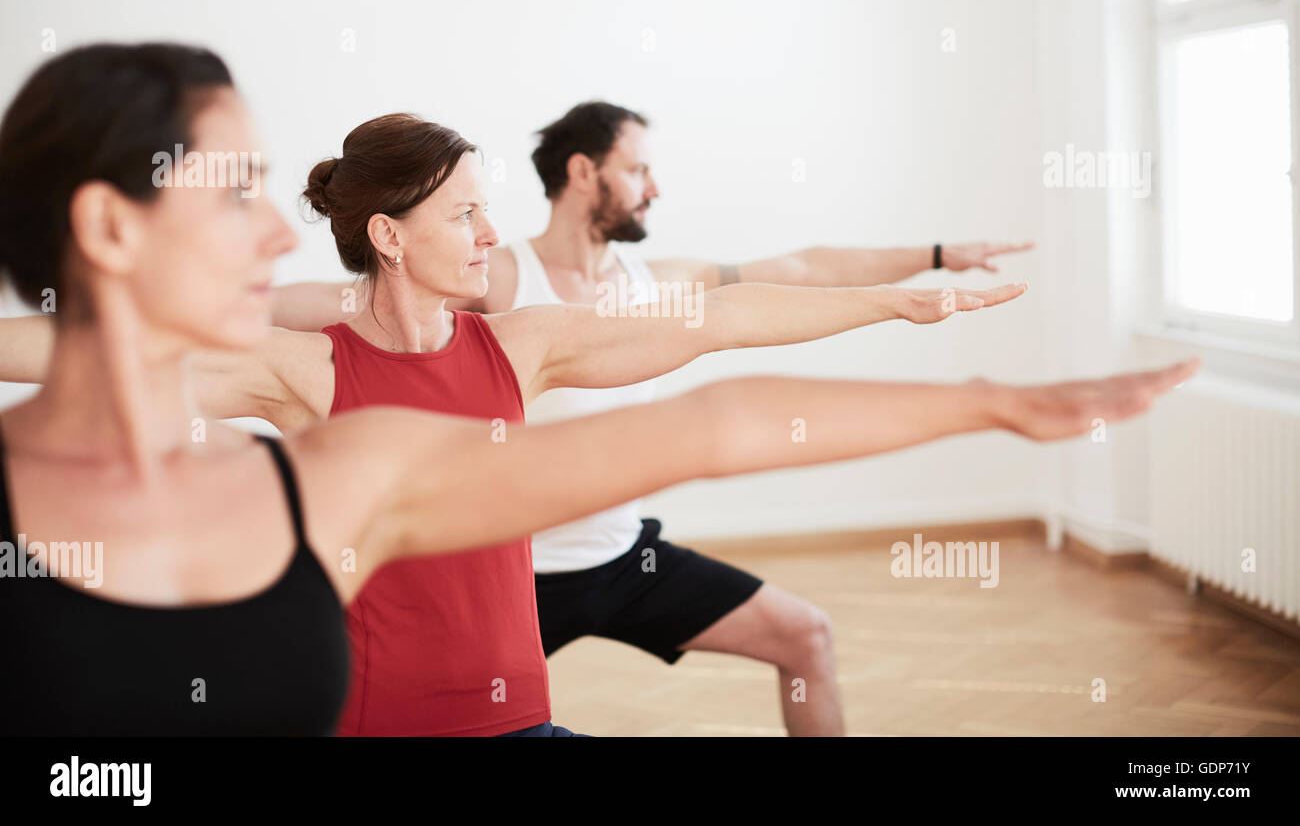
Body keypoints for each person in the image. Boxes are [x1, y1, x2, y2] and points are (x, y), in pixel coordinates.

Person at [0, 43, 1195, 737]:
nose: (483, 233)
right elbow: (70, 347)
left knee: (799, 632)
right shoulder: (305, 369)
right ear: (390, 232)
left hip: (520, 706)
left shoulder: (515, 347)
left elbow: (713, 356)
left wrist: (926, 322)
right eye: (459, 214)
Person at [269, 101, 1039, 735]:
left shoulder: (651, 285)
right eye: (637, 168)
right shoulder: (499, 278)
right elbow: (321, 311)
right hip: (516, 571)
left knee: (804, 632)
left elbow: (784, 279)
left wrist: (931, 260)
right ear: (583, 172)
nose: (654, 188)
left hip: (618, 559)